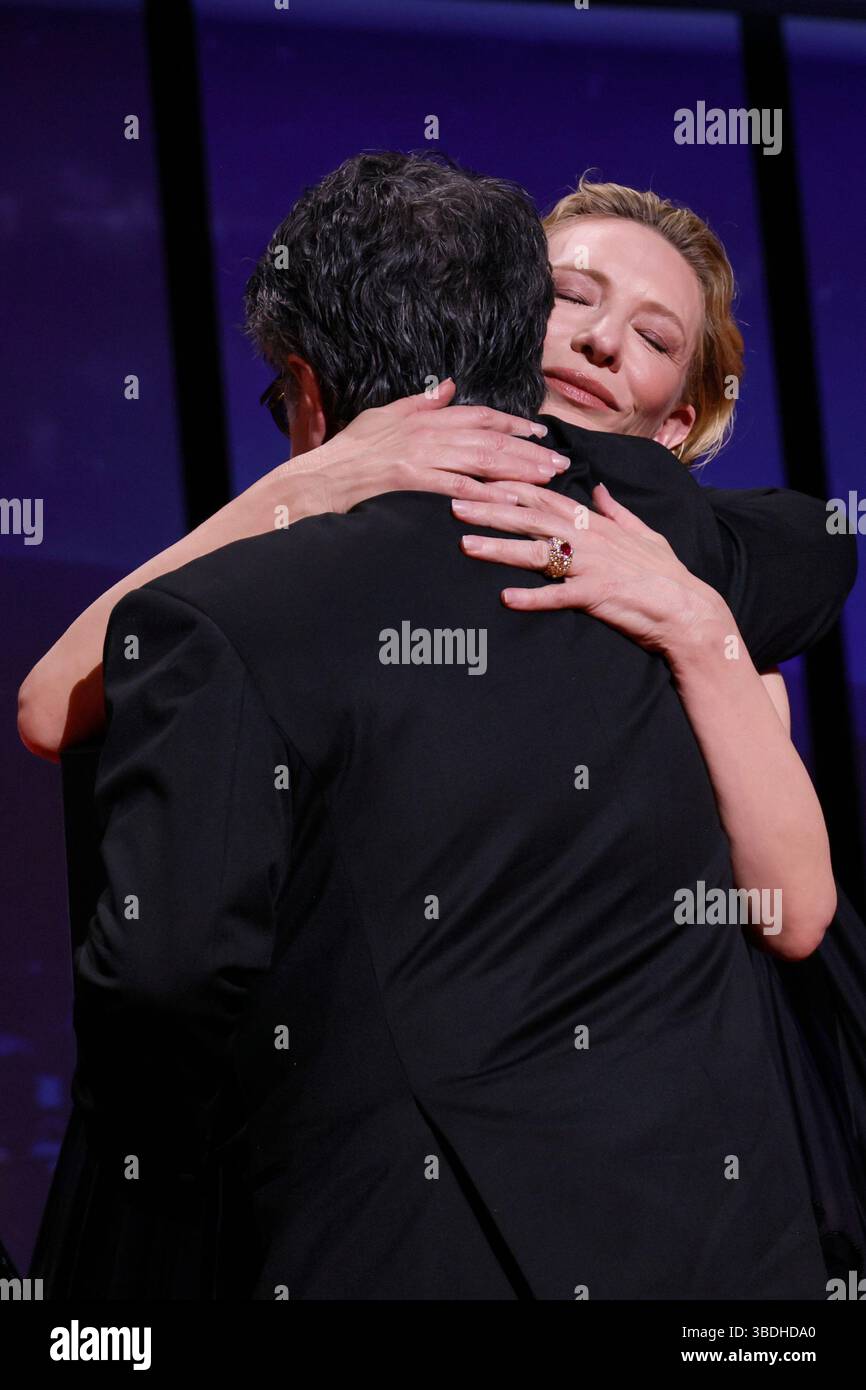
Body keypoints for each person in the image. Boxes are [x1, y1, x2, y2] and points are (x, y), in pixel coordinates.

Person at [25, 153, 861, 1298]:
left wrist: (692, 617)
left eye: (658, 339)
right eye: (571, 298)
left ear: (678, 426)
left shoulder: (684, 573)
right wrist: (315, 484)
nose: (604, 340)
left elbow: (796, 906)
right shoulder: (282, 579)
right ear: (499, 318)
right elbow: (59, 696)